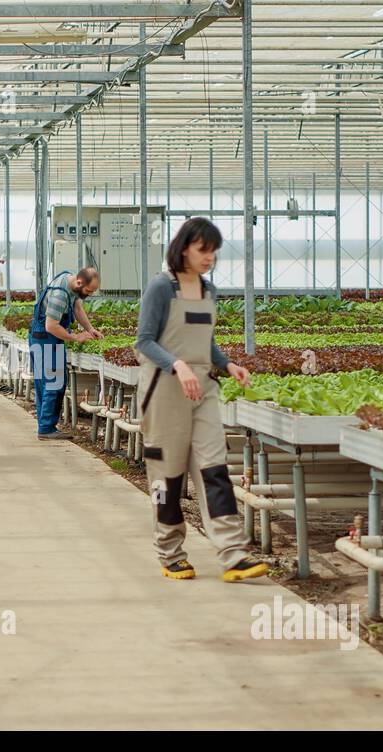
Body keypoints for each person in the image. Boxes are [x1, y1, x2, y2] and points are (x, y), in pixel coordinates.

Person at [136, 217, 268, 583]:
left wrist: (227, 365)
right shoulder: (161, 288)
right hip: (164, 390)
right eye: (202, 250)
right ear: (184, 248)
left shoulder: (209, 291)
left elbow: (204, 343)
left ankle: (233, 553)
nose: (209, 257)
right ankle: (170, 551)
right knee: (168, 475)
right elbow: (144, 341)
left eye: (213, 251)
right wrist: (177, 365)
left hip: (203, 388)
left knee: (214, 469)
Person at [28, 266, 102, 440]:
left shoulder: (70, 280)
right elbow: (51, 325)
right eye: (88, 291)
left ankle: (45, 426)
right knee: (53, 382)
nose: (89, 294)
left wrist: (90, 329)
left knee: (48, 382)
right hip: (45, 338)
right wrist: (76, 337)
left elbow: (77, 309)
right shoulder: (60, 295)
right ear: (79, 282)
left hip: (45, 338)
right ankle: (46, 428)